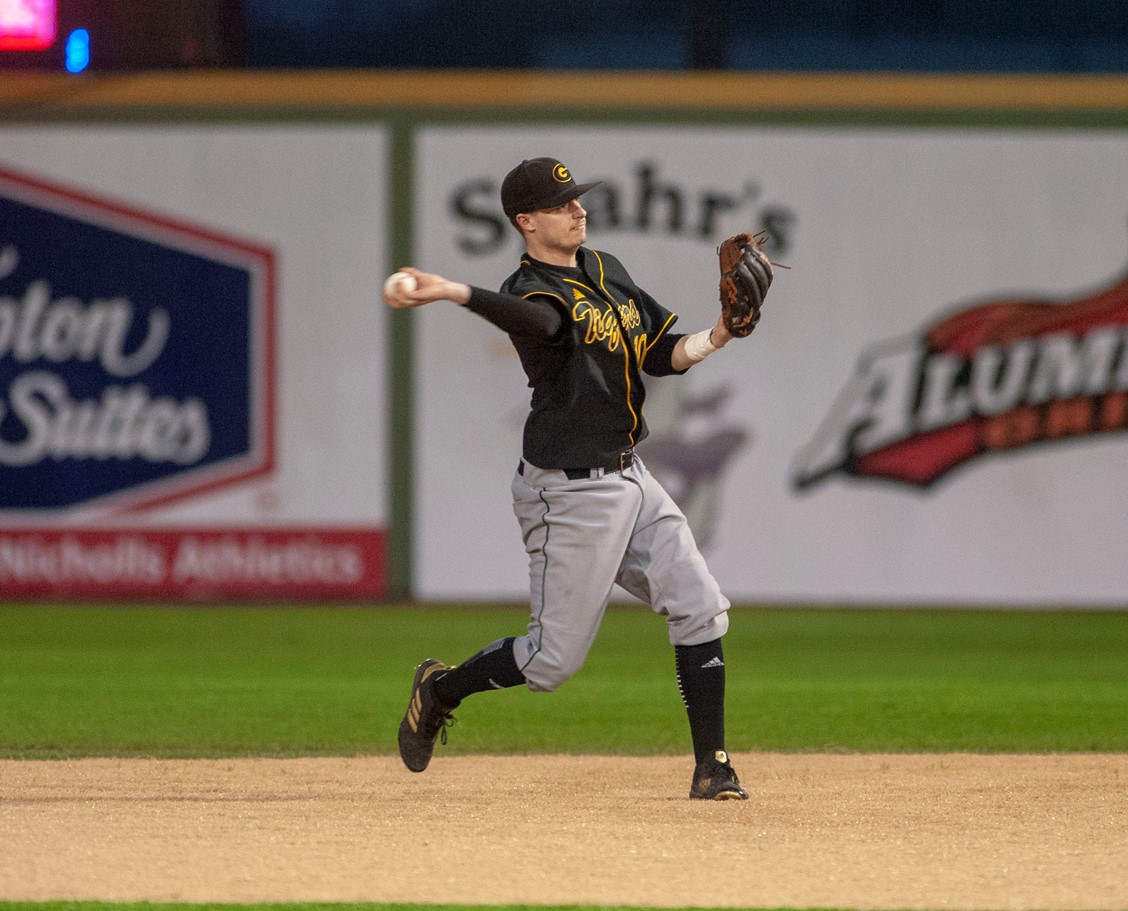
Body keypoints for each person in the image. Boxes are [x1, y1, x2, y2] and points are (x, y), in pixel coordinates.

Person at [387, 157, 770, 800]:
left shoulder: (605, 269)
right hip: (568, 490)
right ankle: (440, 688)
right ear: (527, 221)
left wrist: (722, 334)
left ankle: (713, 767)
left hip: (631, 473)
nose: (578, 210)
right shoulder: (532, 289)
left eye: (578, 200)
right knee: (549, 663)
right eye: (563, 204)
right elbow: (537, 325)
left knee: (701, 607)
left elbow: (662, 354)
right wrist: (455, 292)